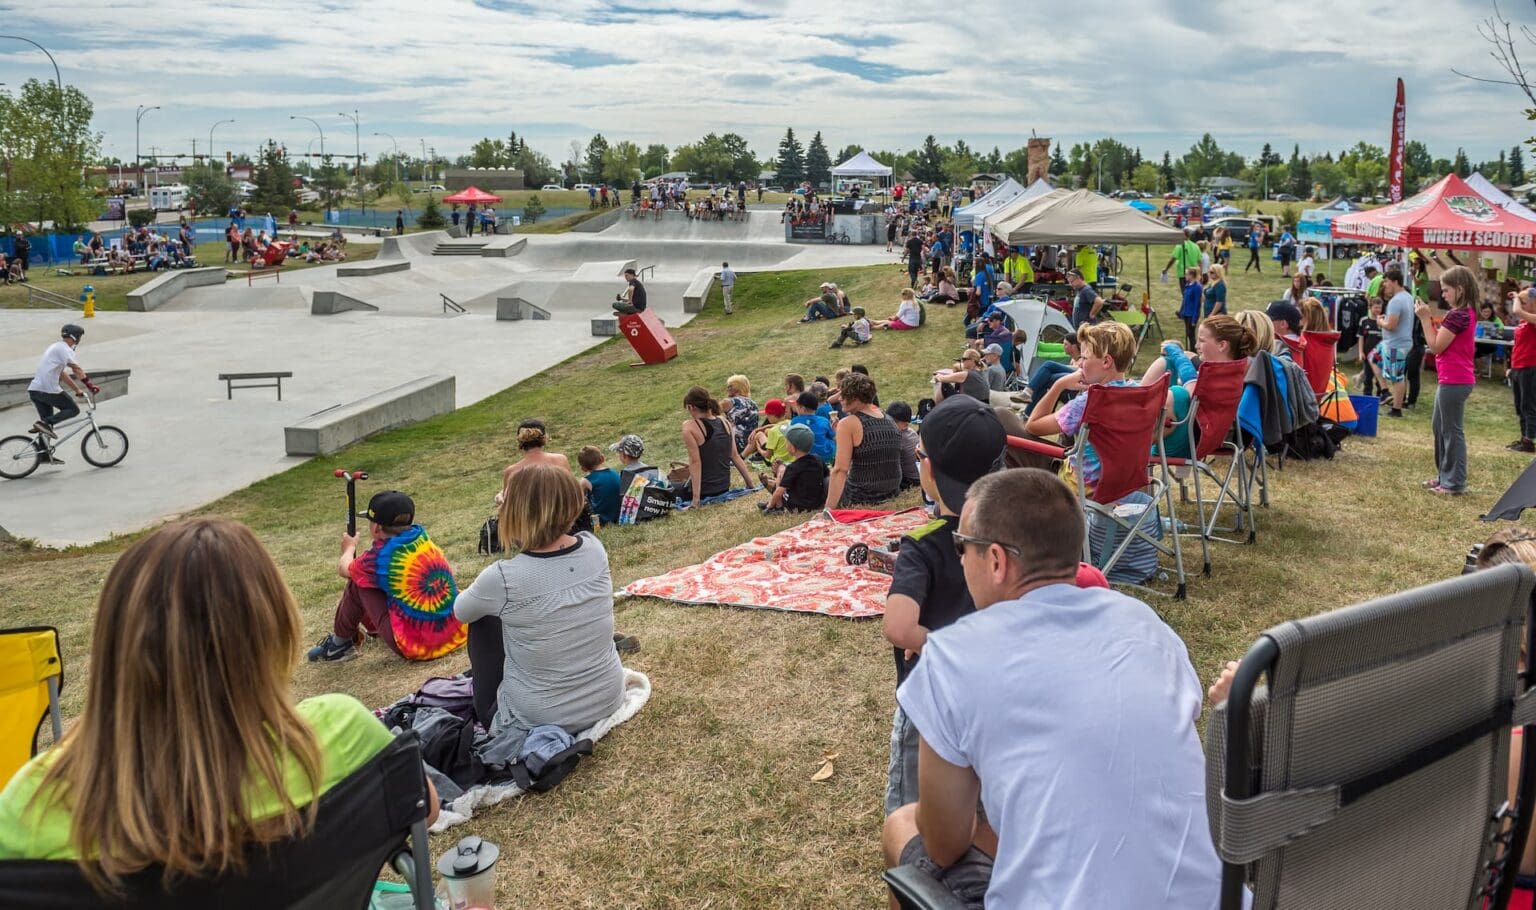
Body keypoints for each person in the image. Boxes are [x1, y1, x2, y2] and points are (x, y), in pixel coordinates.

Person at [0, 517, 440, 879]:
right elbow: (426, 809)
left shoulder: (29, 806)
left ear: (115, 641)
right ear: (273, 626)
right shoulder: (339, 728)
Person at [881, 468, 1223, 909]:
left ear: (997, 561)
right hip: (1216, 898)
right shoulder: (1145, 624)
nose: (961, 558)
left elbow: (944, 845)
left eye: (962, 546)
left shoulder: (952, 657)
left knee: (903, 825)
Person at [881, 395, 1004, 814]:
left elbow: (899, 627)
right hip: (995, 687)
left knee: (916, 809)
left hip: (930, 699)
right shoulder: (1010, 534)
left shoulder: (923, 542)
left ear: (927, 468)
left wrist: (935, 643)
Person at [454, 465, 626, 764]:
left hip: (538, 717)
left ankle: (498, 703)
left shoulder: (502, 578)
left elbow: (460, 611)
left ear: (514, 513)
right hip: (607, 698)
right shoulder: (594, 548)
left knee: (482, 618)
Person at [307, 488, 466, 662]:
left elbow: (344, 569)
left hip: (418, 646)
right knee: (367, 577)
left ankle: (339, 645)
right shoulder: (422, 537)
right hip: (455, 633)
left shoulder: (378, 559)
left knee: (357, 580)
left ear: (376, 528)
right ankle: (370, 631)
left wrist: (349, 548)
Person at [1025, 321, 1141, 491]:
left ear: (1106, 362)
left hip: (1079, 486)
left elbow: (1032, 426)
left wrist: (1059, 385)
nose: (1079, 364)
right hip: (1123, 484)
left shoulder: (1089, 402)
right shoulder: (1140, 394)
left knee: (1007, 423)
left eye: (1084, 358)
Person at [1418, 265, 1479, 495]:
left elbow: (1435, 346)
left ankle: (1454, 482)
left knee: (1451, 431)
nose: (1442, 294)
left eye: (1445, 290)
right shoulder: (1465, 313)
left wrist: (1425, 319)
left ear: (1460, 290)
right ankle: (1445, 476)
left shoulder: (1457, 315)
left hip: (1455, 380)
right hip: (1453, 378)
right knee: (1440, 427)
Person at [825, 373, 902, 509]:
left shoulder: (848, 423)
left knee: (825, 481)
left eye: (843, 394)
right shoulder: (887, 418)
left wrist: (828, 511)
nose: (840, 398)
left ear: (856, 398)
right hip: (891, 491)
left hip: (862, 495)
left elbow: (840, 470)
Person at [679, 385, 758, 508]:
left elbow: (695, 462)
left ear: (691, 407)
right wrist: (750, 484)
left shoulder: (689, 427)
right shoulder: (724, 422)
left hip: (705, 491)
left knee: (670, 487)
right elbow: (735, 456)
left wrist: (695, 500)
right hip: (723, 487)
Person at [27, 324, 91, 456]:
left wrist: (77, 389)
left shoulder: (55, 346)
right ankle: (45, 423)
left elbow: (62, 373)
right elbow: (76, 369)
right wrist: (89, 385)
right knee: (73, 410)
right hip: (47, 390)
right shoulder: (65, 349)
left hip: (35, 390)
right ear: (75, 337)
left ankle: (43, 455)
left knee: (45, 427)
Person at [1368, 267, 1415, 418]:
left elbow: (1391, 325)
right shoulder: (1407, 296)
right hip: (1392, 342)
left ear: (1395, 282)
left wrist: (1380, 322)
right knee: (1373, 358)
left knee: (1396, 377)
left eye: (1387, 282)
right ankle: (1385, 391)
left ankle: (1396, 409)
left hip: (1396, 344)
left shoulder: (1396, 301)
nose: (1384, 285)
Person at [497, 419, 571, 505]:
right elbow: (571, 490)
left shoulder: (512, 471)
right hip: (564, 515)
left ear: (519, 440)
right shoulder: (560, 459)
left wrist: (500, 496)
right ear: (545, 438)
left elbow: (508, 504)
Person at [760, 423, 826, 512]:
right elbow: (826, 477)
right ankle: (772, 486)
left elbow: (780, 491)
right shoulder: (818, 459)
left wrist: (769, 507)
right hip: (817, 502)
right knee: (783, 469)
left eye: (786, 442)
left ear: (792, 448)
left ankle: (776, 505)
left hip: (797, 505)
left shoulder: (793, 467)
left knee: (781, 470)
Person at [1508, 286, 1536, 453]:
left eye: (1525, 302)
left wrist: (1517, 297)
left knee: (1529, 404)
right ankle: (1523, 437)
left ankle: (1529, 440)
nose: (1521, 305)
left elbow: (1517, 310)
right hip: (1518, 367)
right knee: (1520, 405)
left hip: (1530, 367)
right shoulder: (1524, 321)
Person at [578, 445, 623, 526]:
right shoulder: (615, 473)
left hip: (600, 521)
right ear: (602, 458)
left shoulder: (585, 481)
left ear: (583, 469)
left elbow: (577, 500)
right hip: (621, 516)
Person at [886, 400, 921, 490]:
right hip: (919, 473)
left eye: (892, 422)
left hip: (911, 480)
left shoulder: (898, 437)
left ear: (905, 424)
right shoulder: (911, 432)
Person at [723, 375, 759, 453]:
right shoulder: (753, 403)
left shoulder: (730, 401)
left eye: (730, 387)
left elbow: (710, 412)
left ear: (738, 387)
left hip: (735, 442)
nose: (727, 389)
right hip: (751, 442)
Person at [1177, 267, 1204, 349]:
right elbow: (1184, 300)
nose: (1185, 276)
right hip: (1186, 313)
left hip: (1191, 314)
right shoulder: (1188, 285)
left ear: (1191, 275)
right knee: (1188, 334)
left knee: (1191, 334)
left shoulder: (1197, 287)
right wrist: (1181, 311)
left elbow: (1197, 304)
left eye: (1186, 274)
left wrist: (1194, 319)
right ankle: (1190, 349)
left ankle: (1193, 351)